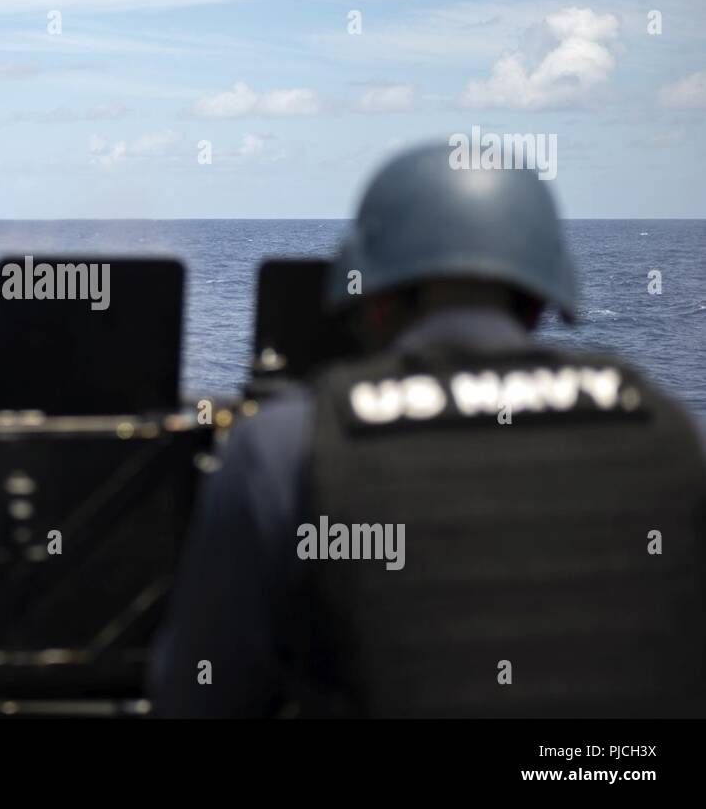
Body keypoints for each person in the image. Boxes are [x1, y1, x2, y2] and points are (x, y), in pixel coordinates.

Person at [151, 142, 706, 717]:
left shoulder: (289, 447)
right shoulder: (667, 432)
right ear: (540, 300)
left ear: (376, 304)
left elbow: (200, 696)